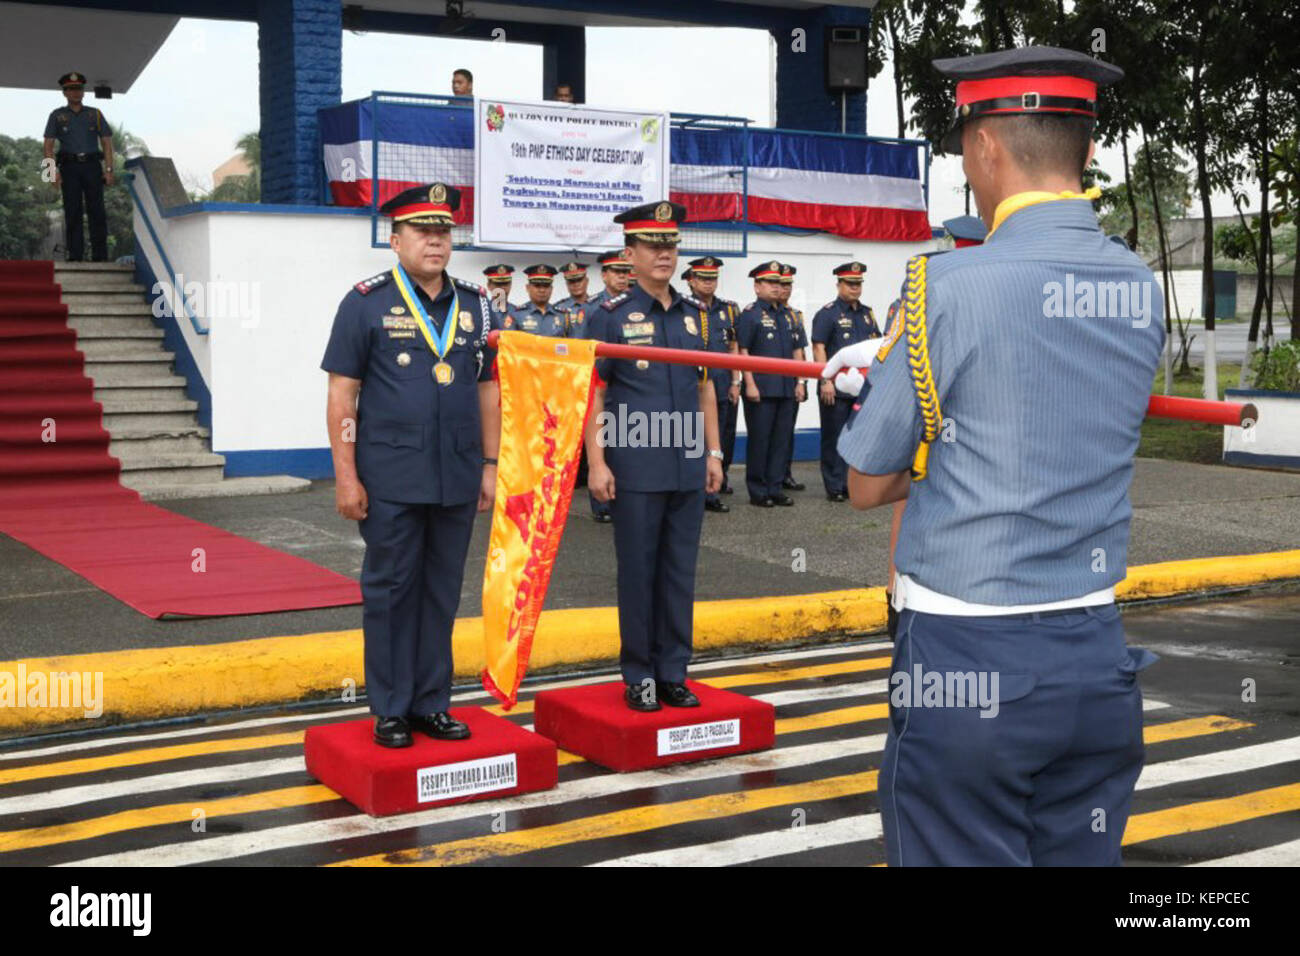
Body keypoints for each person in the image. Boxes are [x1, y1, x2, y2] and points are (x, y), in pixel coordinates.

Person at [825, 46, 1163, 866]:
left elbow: (867, 483)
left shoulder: (945, 287)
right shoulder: (1136, 283)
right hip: (1094, 653)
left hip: (968, 661)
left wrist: (890, 373)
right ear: (1083, 150)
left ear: (985, 149)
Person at [321, 182, 500, 749]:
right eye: (423, 231)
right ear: (395, 240)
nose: (435, 241)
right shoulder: (365, 302)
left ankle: (432, 704)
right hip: (391, 478)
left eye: (444, 231)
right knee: (392, 591)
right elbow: (342, 395)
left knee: (441, 592)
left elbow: (490, 391)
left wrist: (491, 465)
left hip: (456, 474)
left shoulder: (476, 304)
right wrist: (346, 475)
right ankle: (392, 708)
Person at [584, 201, 723, 712]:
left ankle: (673, 672)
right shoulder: (609, 316)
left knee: (679, 572)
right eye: (652, 246)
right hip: (635, 467)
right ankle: (639, 674)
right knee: (639, 572)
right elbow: (593, 396)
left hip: (687, 463)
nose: (664, 255)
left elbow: (706, 388)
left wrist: (713, 452)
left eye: (670, 245)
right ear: (630, 254)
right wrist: (597, 463)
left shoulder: (695, 318)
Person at [735, 261, 805, 507]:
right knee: (760, 440)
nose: (776, 287)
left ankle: (775, 488)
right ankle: (758, 490)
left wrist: (800, 382)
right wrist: (749, 383)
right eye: (770, 282)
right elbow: (743, 351)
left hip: (786, 387)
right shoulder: (750, 315)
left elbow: (798, 350)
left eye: (778, 282)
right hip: (761, 389)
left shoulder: (788, 316)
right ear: (757, 286)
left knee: (781, 440)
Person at [811, 262, 881, 501]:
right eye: (850, 284)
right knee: (834, 437)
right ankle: (835, 485)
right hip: (836, 387)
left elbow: (876, 347)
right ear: (839, 284)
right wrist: (825, 381)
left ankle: (852, 484)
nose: (855, 288)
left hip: (862, 388)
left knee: (857, 437)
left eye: (858, 284)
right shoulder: (828, 313)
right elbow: (818, 347)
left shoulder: (867, 313)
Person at [684, 256, 741, 512]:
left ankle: (717, 482)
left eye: (713, 278)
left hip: (721, 382)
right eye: (703, 278)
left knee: (723, 436)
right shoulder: (683, 309)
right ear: (691, 280)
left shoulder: (728, 309)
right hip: (693, 385)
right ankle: (699, 492)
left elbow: (733, 347)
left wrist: (736, 381)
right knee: (696, 439)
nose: (708, 284)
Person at [43, 72, 114, 263]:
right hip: (69, 168)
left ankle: (100, 256)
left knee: (97, 211)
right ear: (64, 93)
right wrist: (50, 173)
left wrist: (109, 170)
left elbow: (107, 142)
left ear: (83, 92)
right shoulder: (57, 116)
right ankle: (75, 256)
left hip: (92, 167)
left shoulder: (95, 114)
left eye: (79, 89)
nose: (75, 93)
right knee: (72, 211)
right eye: (71, 89)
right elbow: (48, 145)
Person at [775, 263, 808, 492]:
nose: (785, 289)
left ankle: (785, 474)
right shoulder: (760, 313)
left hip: (791, 382)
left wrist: (802, 381)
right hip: (769, 383)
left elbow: (801, 352)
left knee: (787, 432)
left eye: (788, 285)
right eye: (781, 284)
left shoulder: (795, 316)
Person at [505, 264, 568, 337]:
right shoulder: (516, 315)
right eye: (537, 286)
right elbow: (509, 344)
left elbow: (571, 345)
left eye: (546, 286)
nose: (542, 290)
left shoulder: (563, 316)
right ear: (528, 288)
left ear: (551, 289)